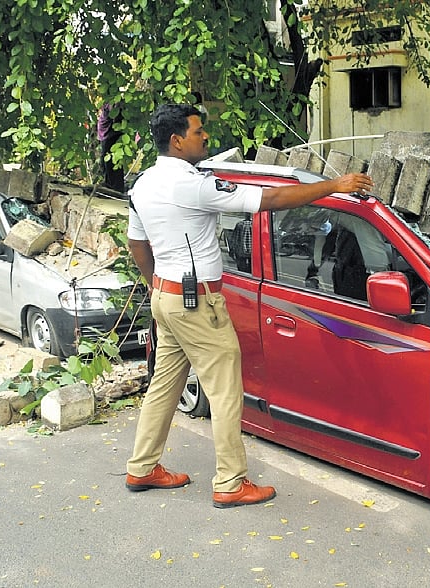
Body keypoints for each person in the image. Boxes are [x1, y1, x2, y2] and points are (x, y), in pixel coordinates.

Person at [124, 103, 373, 508]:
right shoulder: (193, 184)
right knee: (224, 391)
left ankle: (143, 466)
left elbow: (137, 243)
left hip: (167, 298)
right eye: (197, 131)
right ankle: (230, 482)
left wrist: (155, 283)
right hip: (196, 303)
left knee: (163, 386)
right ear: (176, 141)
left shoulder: (143, 185)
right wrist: (333, 186)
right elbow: (270, 200)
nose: (204, 136)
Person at [98, 103, 125, 193]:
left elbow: (116, 117)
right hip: (105, 135)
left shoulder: (114, 104)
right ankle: (110, 184)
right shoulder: (108, 103)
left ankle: (115, 187)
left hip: (111, 135)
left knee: (111, 163)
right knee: (105, 163)